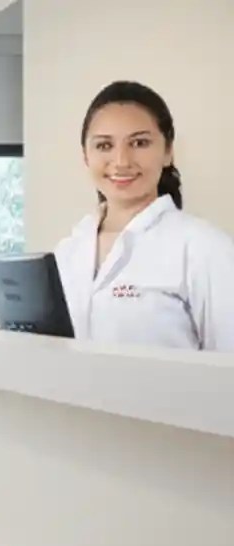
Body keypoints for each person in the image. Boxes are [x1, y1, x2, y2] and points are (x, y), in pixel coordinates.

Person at [54, 80, 234, 352]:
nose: (122, 161)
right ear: (85, 157)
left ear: (168, 151)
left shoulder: (205, 248)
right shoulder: (67, 251)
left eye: (140, 142)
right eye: (104, 146)